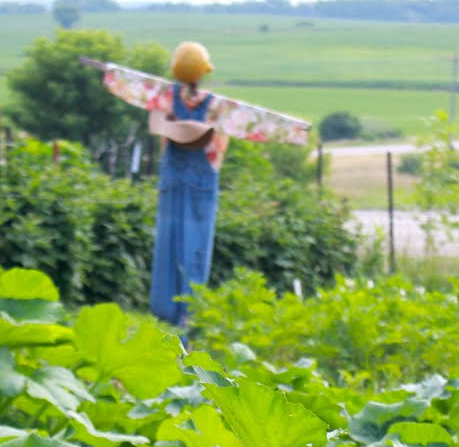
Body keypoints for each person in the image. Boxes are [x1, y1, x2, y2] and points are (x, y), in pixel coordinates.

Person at [93, 42, 310, 325]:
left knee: (167, 250)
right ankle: (188, 322)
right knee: (195, 252)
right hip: (201, 188)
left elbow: (151, 120)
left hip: (171, 183)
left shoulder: (164, 97)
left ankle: (163, 320)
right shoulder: (218, 108)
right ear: (203, 71)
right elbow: (237, 136)